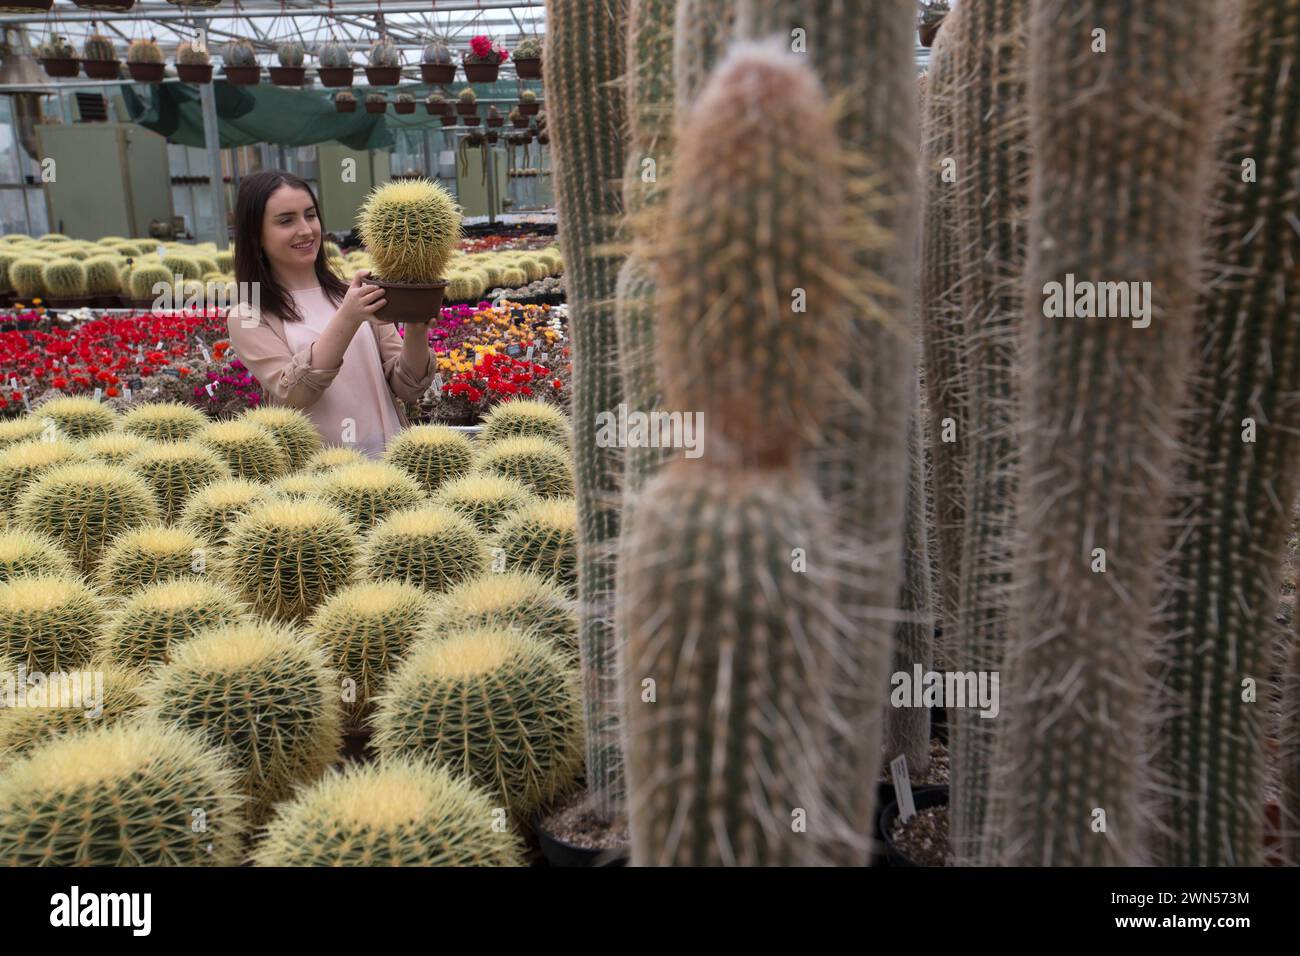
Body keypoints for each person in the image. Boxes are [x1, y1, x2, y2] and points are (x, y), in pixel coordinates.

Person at [226, 170, 435, 458]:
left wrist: (416, 326)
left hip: (392, 467)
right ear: (255, 234)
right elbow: (293, 394)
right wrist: (348, 318)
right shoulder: (248, 315)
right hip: (322, 479)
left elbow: (408, 386)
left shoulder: (354, 293)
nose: (305, 230)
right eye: (286, 220)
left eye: (310, 215)